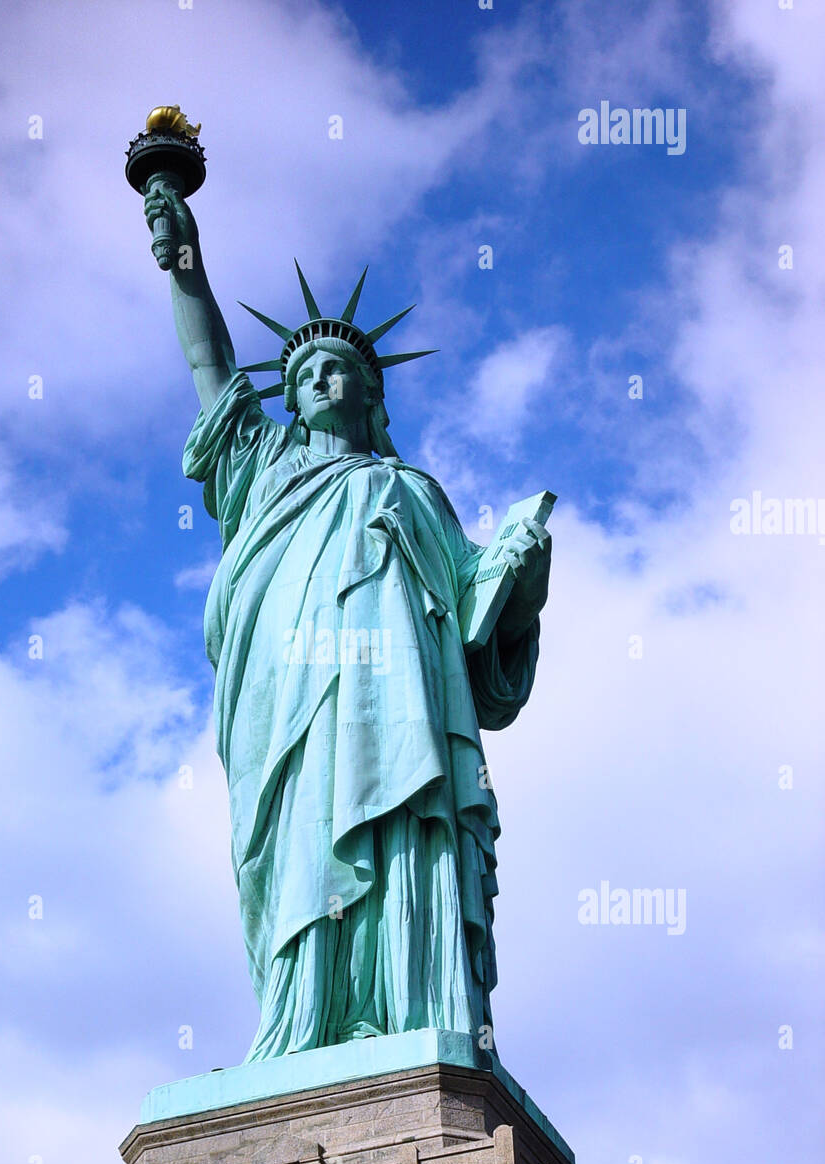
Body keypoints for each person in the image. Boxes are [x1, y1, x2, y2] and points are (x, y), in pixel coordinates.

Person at [144, 181, 551, 1063]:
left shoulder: (413, 492)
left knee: (403, 821)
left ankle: (412, 1011)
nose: (321, 380)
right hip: (289, 699)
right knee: (298, 844)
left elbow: (480, 638)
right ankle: (302, 1026)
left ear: (371, 394)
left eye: (340, 371)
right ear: (289, 399)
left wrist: (519, 571)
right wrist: (185, 263)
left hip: (396, 703)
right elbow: (210, 368)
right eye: (302, 376)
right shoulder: (266, 471)